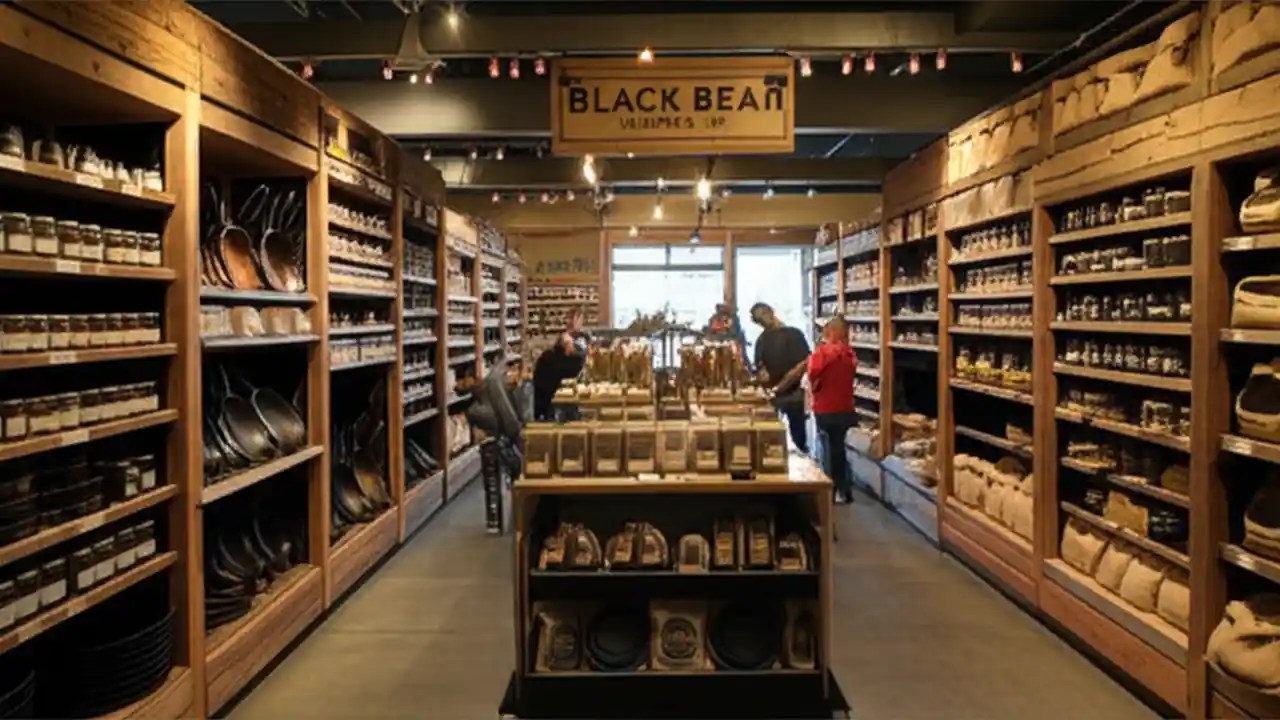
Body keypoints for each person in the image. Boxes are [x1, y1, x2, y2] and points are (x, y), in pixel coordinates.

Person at [749, 302, 811, 453]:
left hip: (787, 394)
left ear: (771, 312)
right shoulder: (762, 341)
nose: (763, 319)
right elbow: (762, 372)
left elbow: (803, 365)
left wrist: (778, 386)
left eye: (763, 315)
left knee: (795, 442)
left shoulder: (793, 334)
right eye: (759, 318)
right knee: (772, 442)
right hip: (778, 396)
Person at [808, 317, 858, 504]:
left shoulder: (822, 353)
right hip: (846, 408)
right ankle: (845, 490)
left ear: (830, 332)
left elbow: (812, 373)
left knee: (828, 452)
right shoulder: (850, 354)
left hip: (826, 409)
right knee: (841, 450)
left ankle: (830, 490)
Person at [532, 308, 589, 421]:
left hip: (568, 379)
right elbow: (563, 351)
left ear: (581, 322)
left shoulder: (582, 338)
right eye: (571, 318)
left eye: (576, 319)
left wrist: (568, 342)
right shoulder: (564, 337)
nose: (572, 322)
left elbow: (572, 352)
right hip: (552, 383)